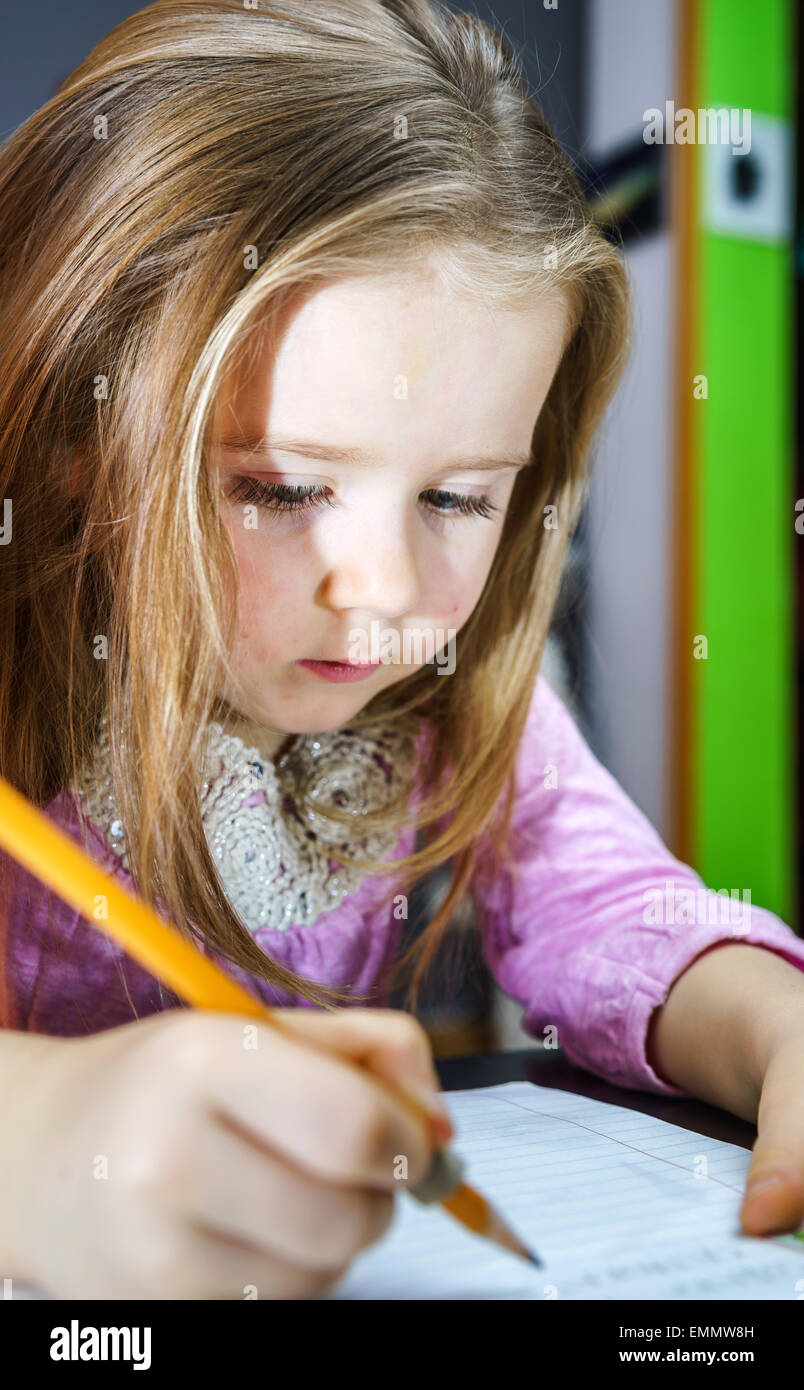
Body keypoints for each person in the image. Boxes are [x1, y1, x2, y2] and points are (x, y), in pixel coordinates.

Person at [1, 0, 803, 1300]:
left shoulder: (444, 698)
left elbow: (616, 912)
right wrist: (36, 1135)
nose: (380, 589)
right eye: (274, 487)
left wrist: (777, 1029)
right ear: (70, 438)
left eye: (456, 498)